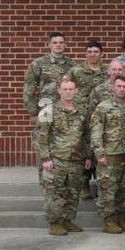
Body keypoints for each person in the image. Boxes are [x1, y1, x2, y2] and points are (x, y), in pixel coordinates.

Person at [37, 77, 91, 235]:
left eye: (71, 89)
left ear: (76, 91)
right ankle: (55, 223)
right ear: (59, 91)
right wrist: (45, 158)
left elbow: (86, 136)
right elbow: (41, 136)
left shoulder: (82, 111)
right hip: (56, 160)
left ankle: (68, 220)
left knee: (73, 192)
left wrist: (88, 156)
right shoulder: (48, 110)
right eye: (65, 89)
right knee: (55, 193)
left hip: (76, 159)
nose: (68, 92)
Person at [91, 76, 125, 233]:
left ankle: (122, 218)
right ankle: (109, 220)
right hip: (110, 154)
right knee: (108, 189)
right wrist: (99, 153)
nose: (122, 89)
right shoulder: (103, 107)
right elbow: (96, 131)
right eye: (119, 86)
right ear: (112, 87)